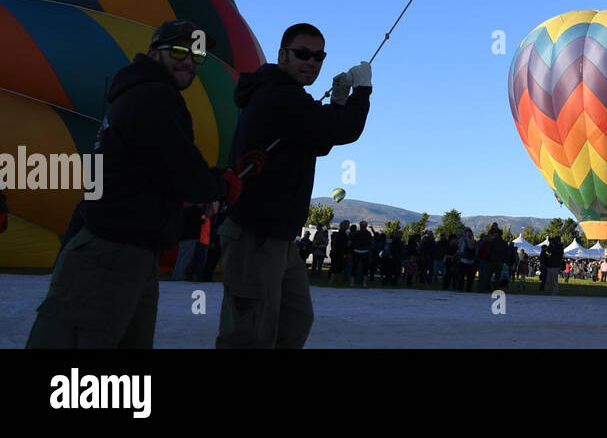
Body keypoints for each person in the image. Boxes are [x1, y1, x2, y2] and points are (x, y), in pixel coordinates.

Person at [27, 20, 259, 349]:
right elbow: (184, 172)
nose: (189, 60)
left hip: (121, 248)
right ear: (153, 54)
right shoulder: (155, 96)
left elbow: (121, 183)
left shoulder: (126, 100)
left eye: (196, 54)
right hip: (112, 251)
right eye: (179, 50)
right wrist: (220, 185)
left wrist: (183, 221)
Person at [215, 23, 371, 349]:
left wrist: (338, 101)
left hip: (280, 236)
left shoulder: (289, 97)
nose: (311, 62)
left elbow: (320, 140)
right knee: (250, 331)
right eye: (303, 54)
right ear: (282, 54)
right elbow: (343, 131)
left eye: (318, 56)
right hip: (255, 233)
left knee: (295, 318)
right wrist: (361, 91)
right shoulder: (277, 96)